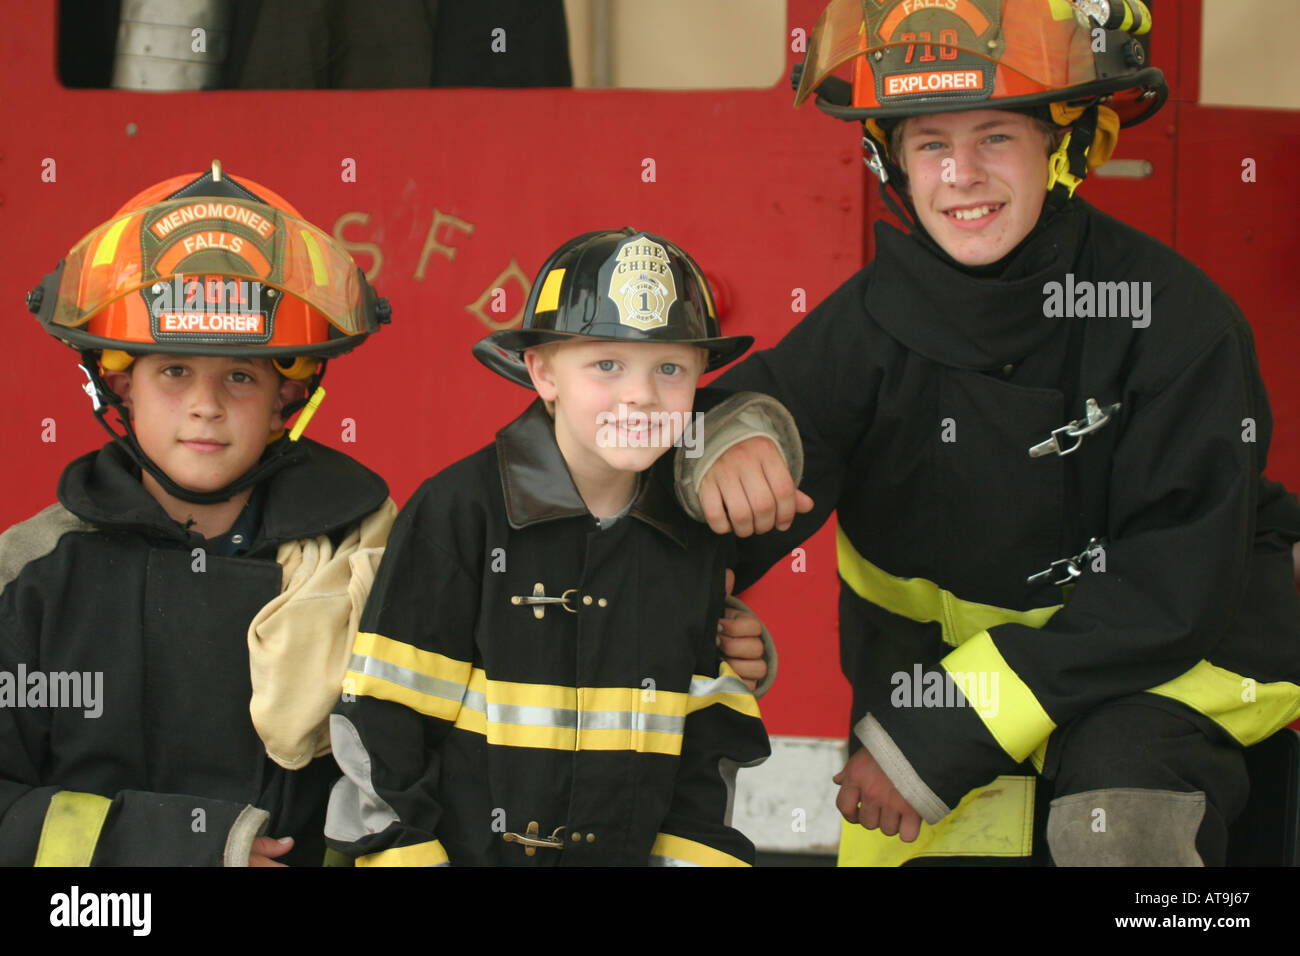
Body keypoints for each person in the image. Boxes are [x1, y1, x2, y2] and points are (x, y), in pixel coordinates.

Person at [675, 0, 1300, 865]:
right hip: (931, 704)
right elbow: (742, 422)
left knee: (1116, 824)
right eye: (931, 143)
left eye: (997, 136)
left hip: (1159, 684)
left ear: (1063, 145)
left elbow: (1172, 592)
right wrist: (726, 444)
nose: (961, 174)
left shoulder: (1180, 325)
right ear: (889, 160)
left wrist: (933, 732)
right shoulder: (868, 327)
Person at [325, 229, 772, 866]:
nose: (641, 395)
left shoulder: (692, 530)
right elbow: (385, 719)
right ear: (541, 371)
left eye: (669, 368)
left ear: (701, 378)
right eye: (606, 365)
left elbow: (704, 744)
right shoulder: (461, 512)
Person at [0, 162, 396, 865]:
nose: (205, 405)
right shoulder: (30, 576)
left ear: (287, 397)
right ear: (119, 384)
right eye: (174, 370)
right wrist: (173, 848)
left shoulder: (372, 561)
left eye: (241, 376)